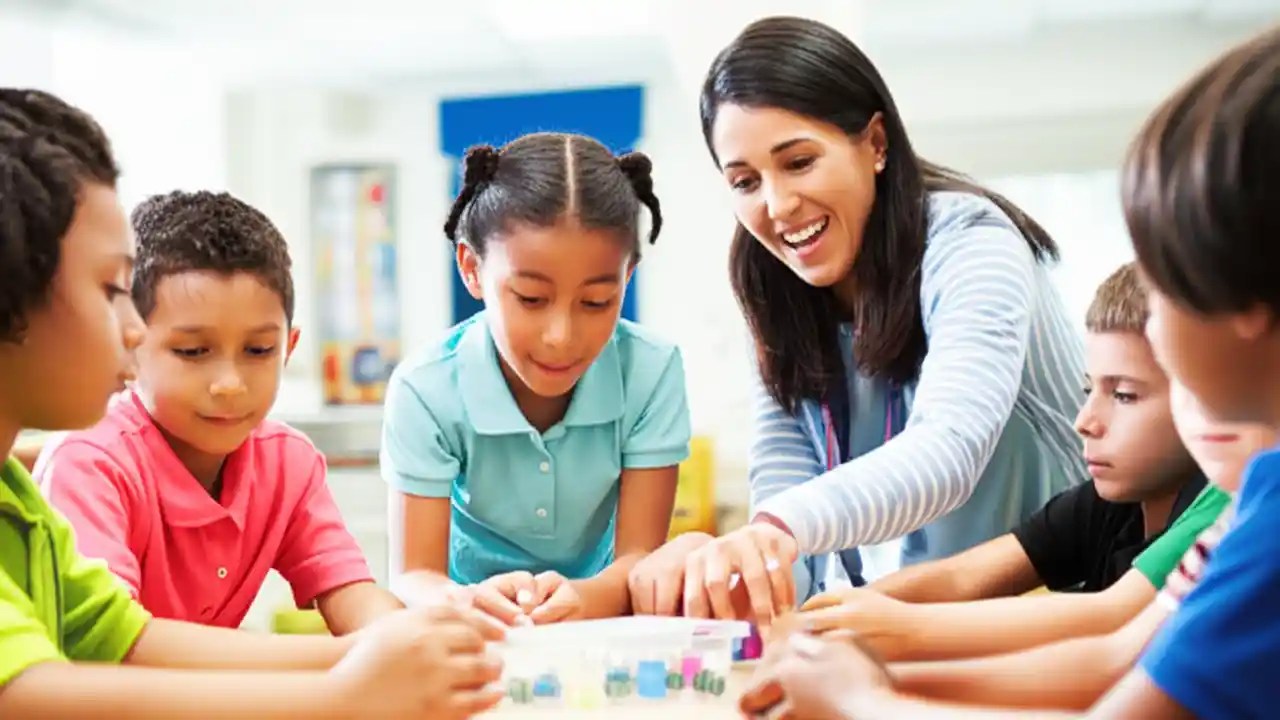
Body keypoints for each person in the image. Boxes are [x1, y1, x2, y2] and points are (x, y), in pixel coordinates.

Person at [736, 24, 1280, 720]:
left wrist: (865, 697)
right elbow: (1113, 663)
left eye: (1168, 283)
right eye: (746, 181)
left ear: (1249, 309)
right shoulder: (1254, 498)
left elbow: (1118, 691)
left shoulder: (1263, 513)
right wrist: (867, 668)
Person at [0, 87, 502, 719]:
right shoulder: (90, 460)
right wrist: (338, 693)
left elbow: (124, 636)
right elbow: (25, 694)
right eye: (109, 289)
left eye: (258, 351)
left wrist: (393, 649)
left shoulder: (19, 501)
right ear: (12, 295)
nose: (130, 329)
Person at [631, 15, 1087, 628]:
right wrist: (730, 574)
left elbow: (948, 452)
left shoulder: (971, 243)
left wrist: (776, 529)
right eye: (744, 181)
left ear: (875, 144)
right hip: (919, 617)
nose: (776, 205)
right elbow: (785, 494)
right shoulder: (774, 288)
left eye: (798, 162)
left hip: (1056, 606)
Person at [795, 263, 1226, 663]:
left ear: (1204, 396)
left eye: (1125, 395)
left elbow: (1111, 619)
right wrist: (818, 620)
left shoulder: (1224, 506)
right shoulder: (1107, 504)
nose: (1085, 421)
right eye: (1087, 390)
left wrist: (895, 630)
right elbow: (962, 580)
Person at [36, 190, 401, 634]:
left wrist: (400, 638)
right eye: (192, 351)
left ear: (288, 348)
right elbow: (115, 643)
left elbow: (349, 590)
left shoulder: (289, 463)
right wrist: (350, 661)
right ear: (127, 344)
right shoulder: (91, 462)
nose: (230, 383)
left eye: (258, 350)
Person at [383, 133, 691, 626]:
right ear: (472, 269)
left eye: (596, 302)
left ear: (626, 277)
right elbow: (415, 574)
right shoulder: (426, 388)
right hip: (470, 627)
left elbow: (640, 559)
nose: (560, 337)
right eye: (530, 298)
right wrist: (467, 603)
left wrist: (583, 600)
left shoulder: (651, 371)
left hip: (602, 622)